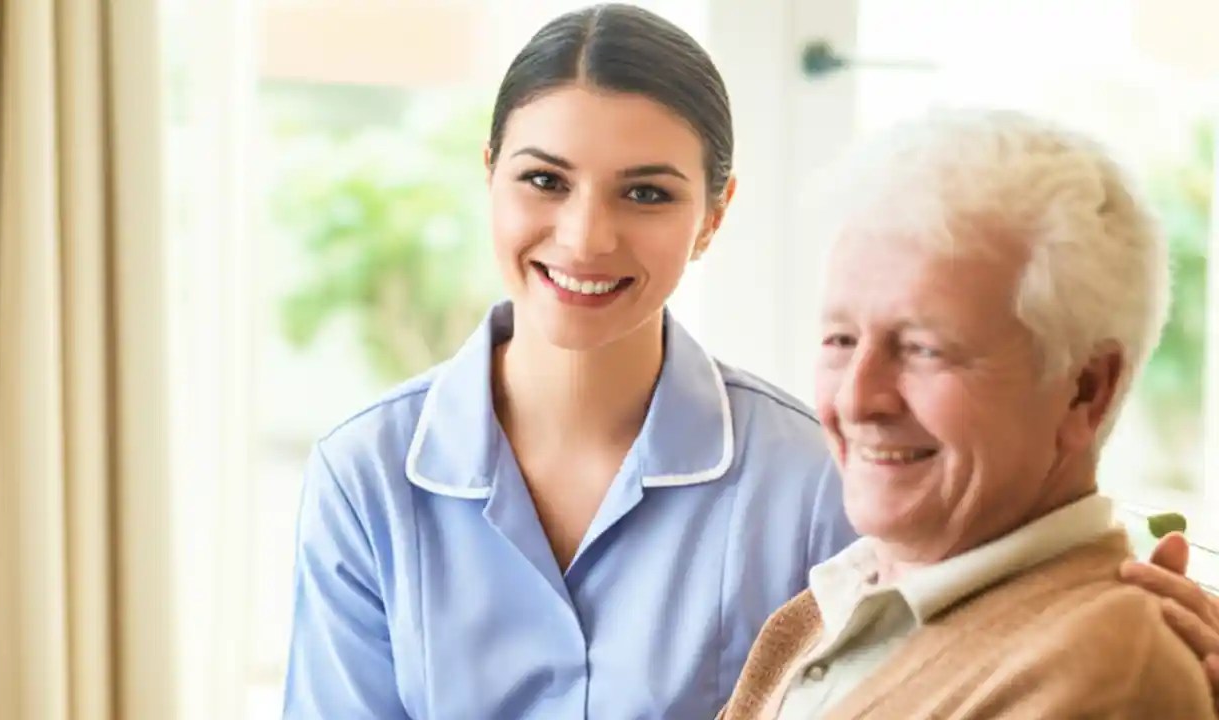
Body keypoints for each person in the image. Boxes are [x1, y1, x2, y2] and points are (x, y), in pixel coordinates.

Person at [282, 5, 1219, 718]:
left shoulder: (827, 474)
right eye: (543, 179)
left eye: (646, 193)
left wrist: (1145, 625)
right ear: (488, 174)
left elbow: (997, 608)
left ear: (715, 213)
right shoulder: (365, 474)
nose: (586, 236)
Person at [719, 109, 1219, 719]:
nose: (856, 398)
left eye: (924, 349)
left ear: (1084, 391)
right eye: (841, 340)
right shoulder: (836, 604)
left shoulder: (1102, 674)